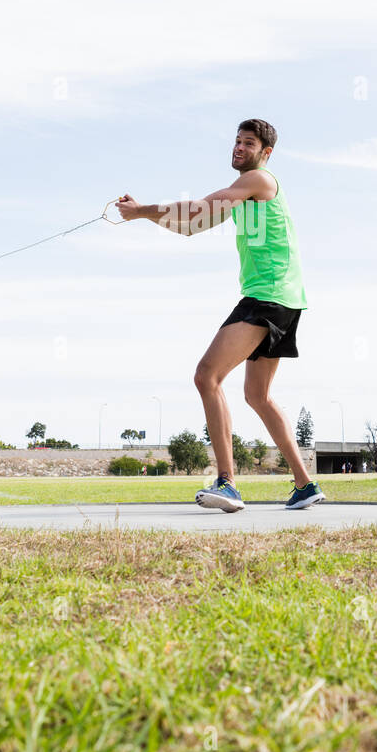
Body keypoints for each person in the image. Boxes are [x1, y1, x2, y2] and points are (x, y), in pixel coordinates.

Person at [117, 118, 326, 512]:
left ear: (266, 153)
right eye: (236, 141)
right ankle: (304, 484)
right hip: (283, 298)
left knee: (206, 376)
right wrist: (143, 215)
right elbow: (192, 224)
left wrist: (142, 208)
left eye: (248, 143)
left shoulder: (260, 182)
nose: (239, 148)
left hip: (268, 297)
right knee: (257, 395)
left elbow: (198, 206)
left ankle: (227, 482)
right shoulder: (242, 195)